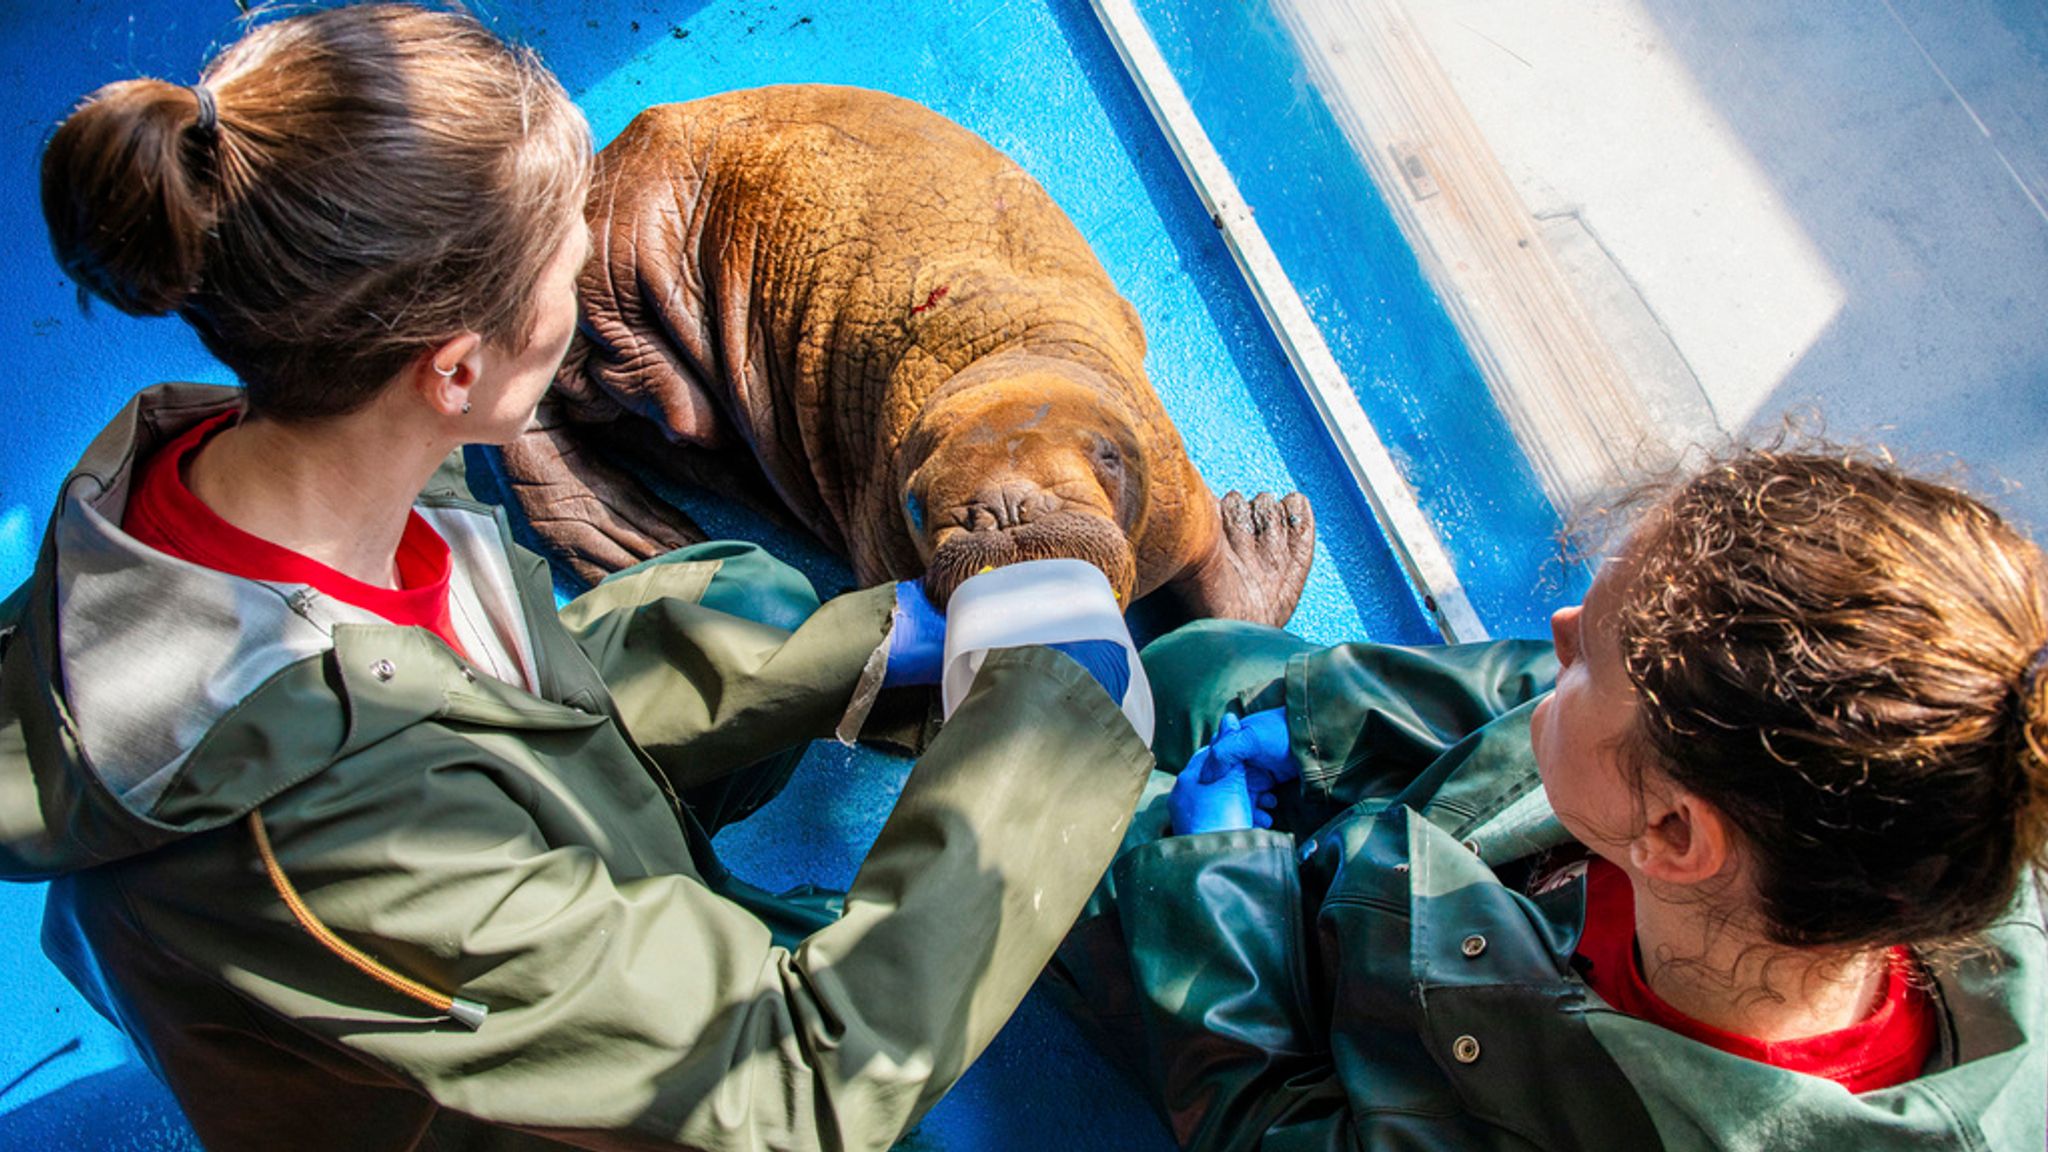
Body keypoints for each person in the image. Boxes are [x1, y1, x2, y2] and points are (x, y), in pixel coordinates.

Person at [0, 6, 1154, 1150]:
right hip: (466, 1066)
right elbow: (788, 1086)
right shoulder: (353, 849)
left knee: (735, 598)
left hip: (443, 859)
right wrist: (1051, 728)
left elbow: (454, 687)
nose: (580, 284)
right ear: (455, 370)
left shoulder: (252, 475)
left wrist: (851, 656)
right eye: (565, 267)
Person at [1056, 448, 2048, 1150]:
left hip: (1305, 1016)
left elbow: (1271, 1121)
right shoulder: (1942, 788)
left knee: (1059, 791)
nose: (1560, 625)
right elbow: (1523, 690)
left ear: (1665, 830)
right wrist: (1315, 720)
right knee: (1194, 668)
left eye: (1591, 655)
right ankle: (1236, 661)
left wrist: (1215, 874)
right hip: (1399, 877)